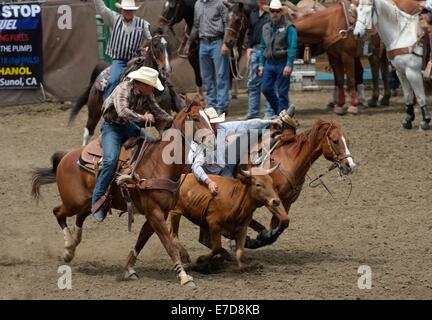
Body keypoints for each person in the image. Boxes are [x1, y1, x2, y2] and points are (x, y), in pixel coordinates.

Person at [92, 67, 173, 222]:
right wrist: (143, 118)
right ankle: (97, 200)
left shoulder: (146, 94)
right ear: (143, 83)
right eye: (152, 86)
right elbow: (122, 111)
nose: (154, 89)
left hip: (128, 126)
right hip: (112, 127)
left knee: (151, 145)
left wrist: (174, 120)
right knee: (110, 161)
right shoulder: (124, 89)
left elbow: (157, 111)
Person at [188, 108, 285, 194]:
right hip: (215, 175)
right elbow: (195, 166)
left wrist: (269, 121)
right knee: (233, 190)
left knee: (248, 134)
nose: (216, 125)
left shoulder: (221, 128)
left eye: (216, 122)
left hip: (225, 164)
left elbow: (244, 124)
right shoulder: (200, 141)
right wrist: (209, 181)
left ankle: (276, 124)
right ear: (206, 124)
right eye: (213, 123)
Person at [94, 0, 152, 100]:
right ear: (121, 10)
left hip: (136, 60)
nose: (128, 12)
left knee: (153, 79)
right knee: (113, 81)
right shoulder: (113, 18)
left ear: (134, 11)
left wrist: (149, 47)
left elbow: (151, 39)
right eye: (126, 10)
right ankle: (107, 107)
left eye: (131, 10)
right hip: (119, 60)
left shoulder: (143, 24)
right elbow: (101, 8)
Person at [183, 0, 231, 115]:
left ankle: (222, 107)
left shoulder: (220, 3)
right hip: (203, 43)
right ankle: (212, 106)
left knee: (221, 75)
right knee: (206, 77)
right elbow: (196, 25)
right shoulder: (198, 4)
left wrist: (225, 43)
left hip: (217, 41)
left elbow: (227, 24)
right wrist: (188, 43)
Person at [258, 0, 298, 116]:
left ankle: (282, 118)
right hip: (269, 63)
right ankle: (281, 113)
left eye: (277, 11)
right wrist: (261, 64)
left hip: (282, 63)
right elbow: (262, 46)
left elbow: (292, 47)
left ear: (281, 12)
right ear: (269, 12)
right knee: (265, 89)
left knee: (282, 92)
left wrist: (289, 64)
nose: (274, 13)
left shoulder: (289, 27)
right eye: (272, 11)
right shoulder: (265, 27)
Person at [245, 0, 275, 119]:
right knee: (253, 83)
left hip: (269, 51)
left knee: (269, 82)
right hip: (255, 50)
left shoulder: (272, 13)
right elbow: (250, 33)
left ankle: (269, 112)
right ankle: (253, 112)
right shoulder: (253, 13)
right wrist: (248, 47)